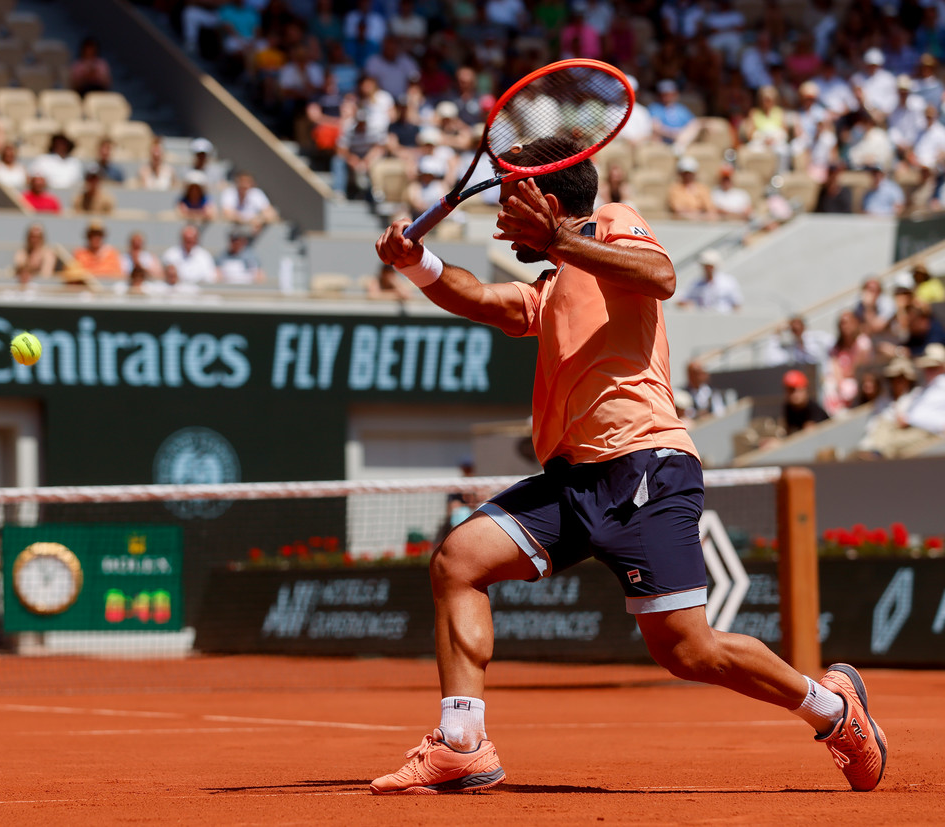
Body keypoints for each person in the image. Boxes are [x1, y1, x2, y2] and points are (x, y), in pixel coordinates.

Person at [370, 139, 886, 795]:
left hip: (645, 465)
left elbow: (659, 276)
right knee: (458, 561)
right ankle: (462, 744)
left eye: (512, 202)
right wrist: (417, 262)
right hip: (573, 481)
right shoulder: (554, 285)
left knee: (688, 650)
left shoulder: (611, 221)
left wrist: (560, 238)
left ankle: (834, 710)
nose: (504, 218)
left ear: (548, 202)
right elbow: (485, 301)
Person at [678, 249, 743, 312]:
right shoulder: (696, 283)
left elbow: (737, 304)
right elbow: (683, 299)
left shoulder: (728, 282)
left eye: (709, 266)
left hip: (723, 317)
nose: (706, 268)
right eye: (704, 266)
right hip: (702, 318)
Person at [781, 368, 830, 435]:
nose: (793, 394)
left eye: (796, 390)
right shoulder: (788, 409)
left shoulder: (815, 411)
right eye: (790, 390)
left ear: (805, 389)